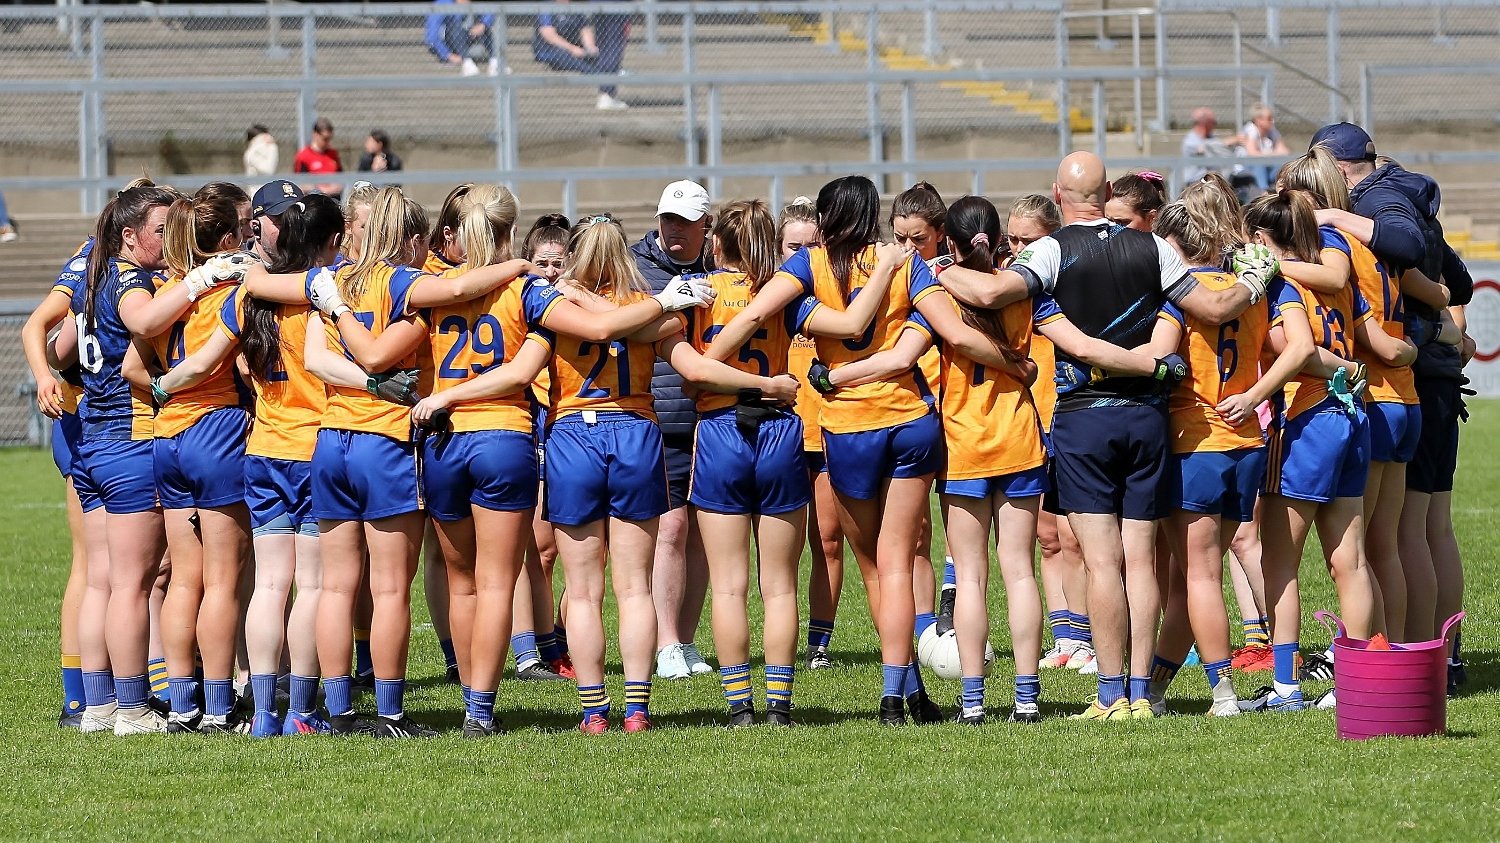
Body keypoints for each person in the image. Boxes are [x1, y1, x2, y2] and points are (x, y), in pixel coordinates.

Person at [937, 152, 1274, 721]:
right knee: (1140, 561)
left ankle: (1110, 692)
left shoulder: (1051, 250)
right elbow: (1214, 307)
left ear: (1058, 194)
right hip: (1147, 418)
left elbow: (992, 295)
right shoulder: (1156, 247)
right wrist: (1253, 280)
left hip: (1085, 418)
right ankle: (1141, 695)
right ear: (1108, 191)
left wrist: (937, 268)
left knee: (1102, 563)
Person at [709, 175, 1033, 725]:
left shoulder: (809, 265)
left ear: (826, 219)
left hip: (849, 427)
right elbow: (954, 333)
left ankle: (896, 695)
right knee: (900, 561)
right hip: (909, 422)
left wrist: (709, 361)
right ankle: (901, 695)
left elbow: (756, 315)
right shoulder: (902, 262)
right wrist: (1014, 364)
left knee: (875, 569)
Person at [408, 216, 730, 734]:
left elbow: (521, 370)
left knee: (582, 590)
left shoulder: (556, 307)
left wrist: (448, 395)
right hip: (635, 431)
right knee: (635, 588)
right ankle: (637, 709)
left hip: (574, 436)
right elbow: (686, 362)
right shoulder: (650, 309)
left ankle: (594, 710)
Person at [152, 193, 348, 737]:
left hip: (262, 449)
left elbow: (202, 362)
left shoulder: (248, 296)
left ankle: (262, 713)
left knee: (267, 586)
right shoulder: (326, 294)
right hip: (312, 449)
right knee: (311, 587)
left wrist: (163, 386)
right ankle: (302, 712)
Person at [68, 182, 242, 734]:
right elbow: (143, 325)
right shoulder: (131, 280)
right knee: (137, 583)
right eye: (161, 231)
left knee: (107, 580)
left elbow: (59, 346)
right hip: (129, 438)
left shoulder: (93, 271)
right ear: (129, 235)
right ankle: (132, 706)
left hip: (94, 439)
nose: (169, 240)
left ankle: (99, 704)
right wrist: (201, 279)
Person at [1237, 189, 1413, 713]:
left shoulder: (1280, 283)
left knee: (1280, 562)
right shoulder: (1338, 283)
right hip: (1354, 416)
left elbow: (1300, 352)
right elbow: (1358, 342)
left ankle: (1286, 687)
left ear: (1263, 239)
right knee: (1349, 561)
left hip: (1306, 419)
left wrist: (1255, 394)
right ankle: (1355, 681)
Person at [1309, 123, 1473, 680]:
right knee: (1427, 529)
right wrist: (1438, 318)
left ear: (1336, 168)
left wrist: (1335, 217)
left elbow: (1406, 248)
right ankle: (1437, 659)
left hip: (1403, 380)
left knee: (1399, 536)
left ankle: (1410, 660)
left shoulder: (1375, 203)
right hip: (1426, 382)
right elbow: (1456, 283)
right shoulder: (1405, 193)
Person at [1144, 200, 1307, 717]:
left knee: (1198, 577)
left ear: (1173, 245)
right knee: (1189, 580)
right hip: (1244, 447)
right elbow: (1286, 348)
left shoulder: (1179, 295)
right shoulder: (1250, 292)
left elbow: (1157, 358)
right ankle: (1154, 689)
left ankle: (1223, 694)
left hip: (1195, 443)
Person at [136, 193, 254, 734]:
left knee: (185, 579)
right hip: (216, 429)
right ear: (226, 241)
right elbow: (246, 369)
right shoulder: (233, 291)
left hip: (167, 437)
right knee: (224, 581)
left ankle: (182, 704)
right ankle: (219, 707)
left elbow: (131, 366)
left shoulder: (168, 292)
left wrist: (164, 389)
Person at [688, 200, 808, 727]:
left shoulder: (700, 292)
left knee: (729, 584)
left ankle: (740, 707)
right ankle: (779, 705)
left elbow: (691, 369)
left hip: (721, 430)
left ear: (717, 243)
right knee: (779, 584)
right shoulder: (786, 290)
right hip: (778, 427)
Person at [631, 180, 714, 680]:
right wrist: (665, 302)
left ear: (706, 225)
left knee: (701, 533)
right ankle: (665, 643)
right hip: (657, 414)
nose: (675, 230)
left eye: (686, 223)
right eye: (669, 220)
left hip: (710, 416)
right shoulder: (634, 266)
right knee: (671, 527)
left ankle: (684, 640)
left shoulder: (718, 266)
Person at [23, 238, 98, 727]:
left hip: (77, 417)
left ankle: (82, 696)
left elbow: (54, 340)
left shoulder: (89, 253)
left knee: (94, 566)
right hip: (94, 417)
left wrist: (50, 369)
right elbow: (53, 337)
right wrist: (49, 373)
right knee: (102, 567)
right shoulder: (97, 256)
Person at [777, 197, 843, 670]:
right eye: (792, 247)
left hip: (826, 431)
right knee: (779, 548)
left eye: (810, 246)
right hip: (779, 432)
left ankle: (819, 644)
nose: (802, 254)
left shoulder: (834, 295)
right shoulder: (771, 297)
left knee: (828, 539)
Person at [533, 0, 628, 111]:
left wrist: (590, 47)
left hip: (574, 48)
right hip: (551, 50)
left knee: (598, 54)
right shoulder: (547, 8)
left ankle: (612, 72)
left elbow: (585, 30)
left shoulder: (575, 8)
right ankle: (602, 76)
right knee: (565, 56)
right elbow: (549, 34)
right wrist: (572, 48)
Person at [426, 0, 499, 77]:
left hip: (462, 41)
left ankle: (495, 63)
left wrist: (483, 24)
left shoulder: (469, 4)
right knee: (454, 28)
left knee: (483, 28)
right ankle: (467, 63)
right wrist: (448, 55)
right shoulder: (442, 4)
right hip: (444, 47)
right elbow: (432, 38)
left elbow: (490, 11)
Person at [249, 179, 306, 267]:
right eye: (281, 223)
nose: (291, 230)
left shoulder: (316, 266)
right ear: (256, 228)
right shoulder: (238, 269)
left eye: (297, 222)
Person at [1181, 107, 1241, 184]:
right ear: (1204, 123)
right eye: (1213, 122)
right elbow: (1204, 148)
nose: (1214, 125)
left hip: (1213, 180)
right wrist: (1225, 143)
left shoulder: (1211, 137)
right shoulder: (1190, 140)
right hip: (1195, 183)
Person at [1238, 104, 1290, 189]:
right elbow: (1252, 154)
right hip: (1246, 168)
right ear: (1258, 120)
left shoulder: (1272, 131)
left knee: (1282, 165)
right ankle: (1264, 191)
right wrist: (1274, 153)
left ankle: (1282, 189)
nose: (1272, 121)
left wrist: (1271, 154)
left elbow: (1285, 152)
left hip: (1267, 166)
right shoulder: (1251, 130)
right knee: (1259, 165)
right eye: (1269, 119)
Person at [293, 118, 343, 200]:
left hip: (333, 199)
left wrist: (334, 188)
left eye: (329, 138)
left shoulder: (333, 154)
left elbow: (341, 178)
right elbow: (300, 183)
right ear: (315, 134)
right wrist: (320, 189)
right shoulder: (304, 156)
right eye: (325, 139)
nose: (327, 142)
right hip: (314, 200)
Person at [243, 124, 278, 194]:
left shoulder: (261, 150)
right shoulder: (253, 152)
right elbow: (267, 170)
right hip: (256, 193)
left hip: (265, 192)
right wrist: (272, 147)